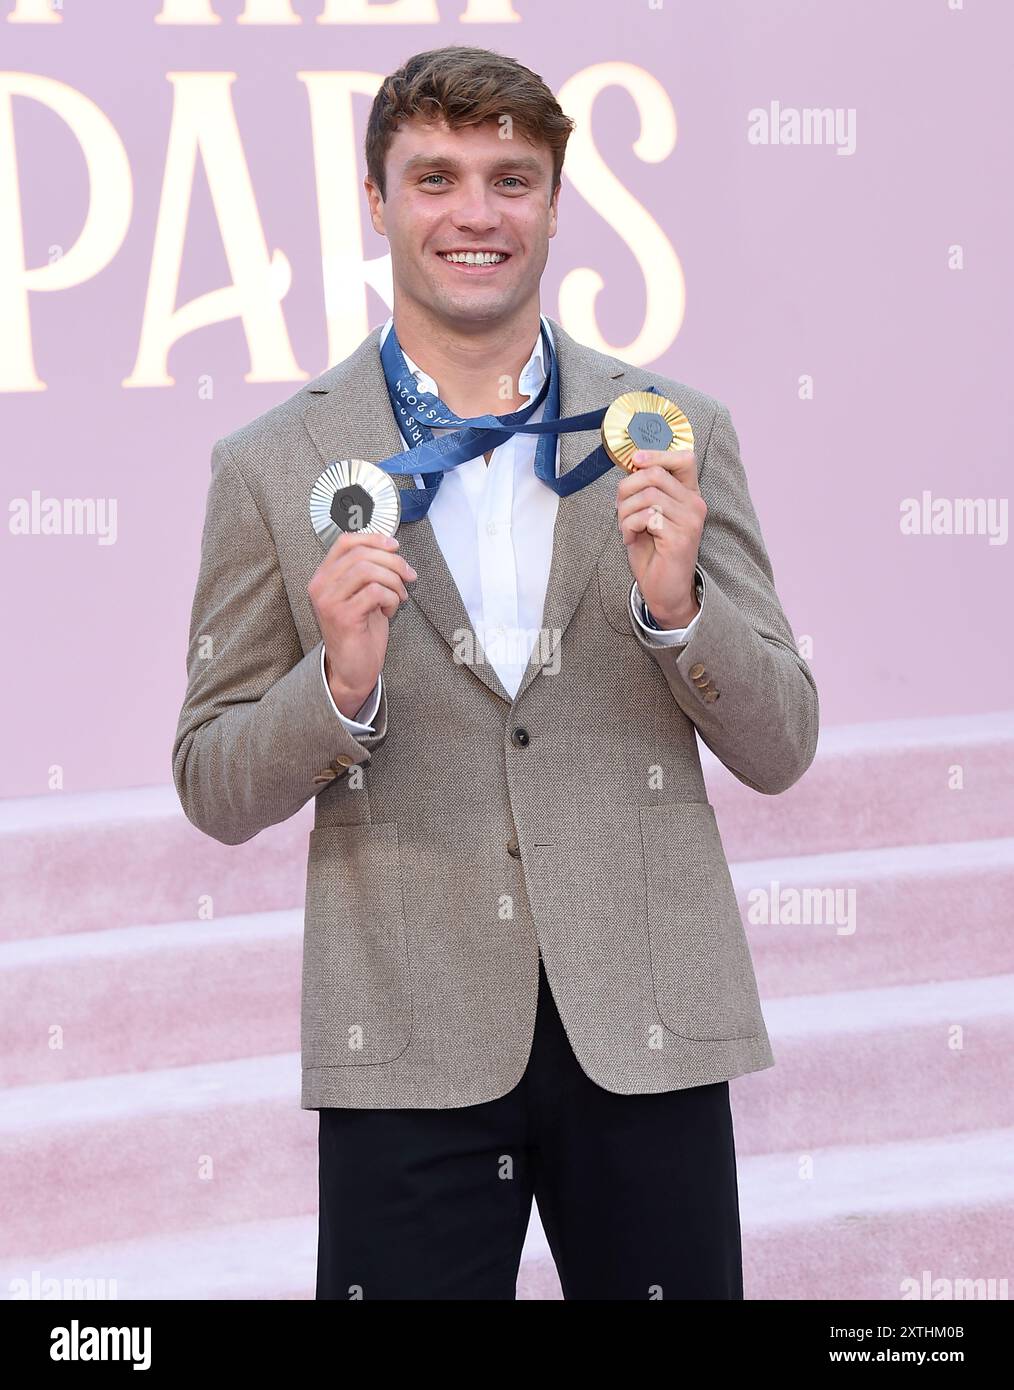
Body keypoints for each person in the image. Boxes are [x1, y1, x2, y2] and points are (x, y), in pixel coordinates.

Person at [172, 44, 819, 1301]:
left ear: (557, 201)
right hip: (408, 1036)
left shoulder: (677, 429)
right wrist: (337, 687)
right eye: (437, 177)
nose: (476, 212)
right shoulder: (272, 462)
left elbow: (783, 741)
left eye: (511, 178)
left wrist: (680, 609)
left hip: (649, 1025)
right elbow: (211, 778)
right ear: (376, 201)